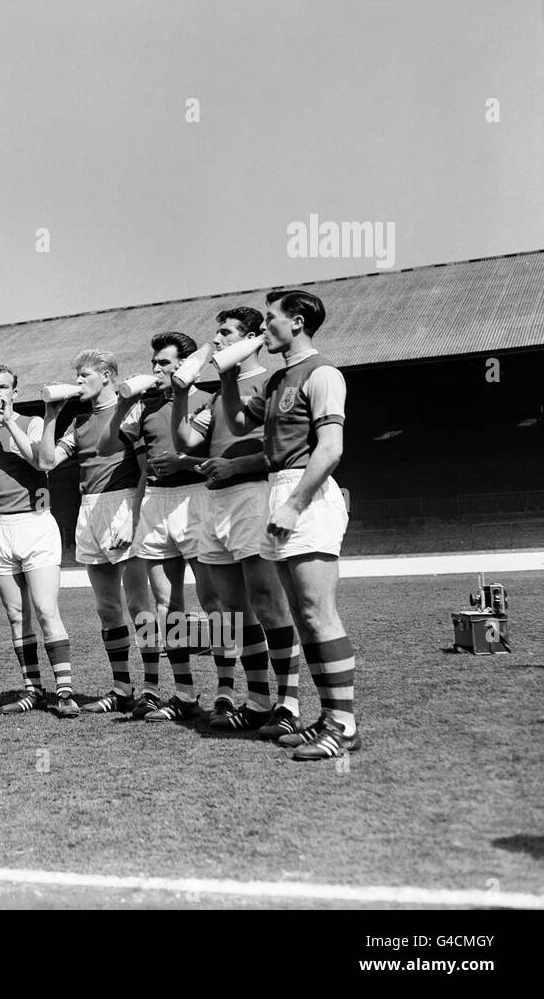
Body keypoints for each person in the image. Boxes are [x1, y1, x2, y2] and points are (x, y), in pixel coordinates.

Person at [221, 290, 358, 761]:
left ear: (297, 322)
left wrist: (294, 505)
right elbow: (239, 422)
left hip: (306, 494)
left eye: (270, 320)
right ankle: (327, 717)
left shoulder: (324, 373)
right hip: (280, 489)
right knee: (301, 616)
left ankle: (344, 726)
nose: (264, 329)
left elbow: (331, 449)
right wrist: (226, 374)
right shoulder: (279, 377)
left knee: (318, 612)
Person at [172, 307, 302, 737]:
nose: (218, 339)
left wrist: (235, 466)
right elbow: (188, 440)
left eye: (226, 332)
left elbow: (284, 450)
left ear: (249, 338)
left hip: (252, 496)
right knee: (235, 611)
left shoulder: (271, 382)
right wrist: (179, 393)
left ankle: (290, 704)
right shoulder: (214, 395)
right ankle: (258, 700)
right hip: (215, 502)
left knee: (268, 605)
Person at [99, 332, 216, 723]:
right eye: (154, 363)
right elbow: (106, 446)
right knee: (165, 607)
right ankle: (182, 694)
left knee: (216, 603)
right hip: (155, 503)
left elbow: (226, 459)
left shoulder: (210, 399)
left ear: (185, 365)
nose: (156, 369)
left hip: (198, 498)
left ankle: (231, 694)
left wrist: (185, 463)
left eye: (165, 363)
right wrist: (121, 405)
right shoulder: (144, 408)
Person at [39, 350, 153, 716]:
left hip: (124, 504)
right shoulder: (78, 422)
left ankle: (151, 688)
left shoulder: (131, 411)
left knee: (139, 605)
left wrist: (135, 520)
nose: (77, 382)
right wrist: (50, 416)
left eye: (84, 375)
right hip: (90, 509)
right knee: (107, 607)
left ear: (106, 376)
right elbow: (46, 461)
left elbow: (145, 471)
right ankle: (122, 689)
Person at [0, 365, 77, 717]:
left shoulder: (31, 422)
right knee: (17, 615)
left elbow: (42, 460)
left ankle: (65, 691)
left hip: (36, 522)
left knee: (45, 610)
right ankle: (33, 690)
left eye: (4, 386)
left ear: (15, 391)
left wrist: (8, 419)